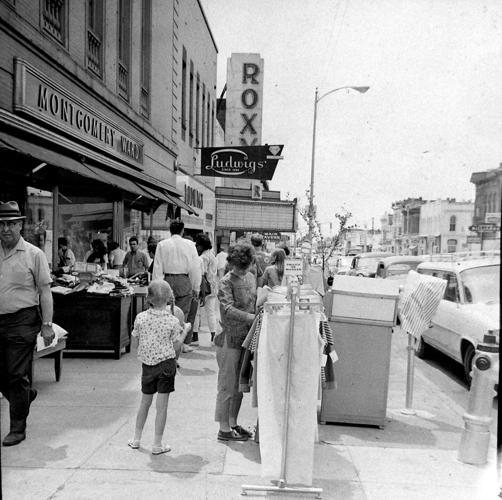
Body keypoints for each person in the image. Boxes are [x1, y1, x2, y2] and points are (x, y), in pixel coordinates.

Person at [0, 201, 55, 446]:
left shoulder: (34, 254)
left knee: (15, 372)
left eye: (11, 224)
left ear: (21, 225)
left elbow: (45, 292)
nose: (6, 229)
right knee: (9, 378)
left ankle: (17, 429)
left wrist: (47, 324)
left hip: (23, 320)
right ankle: (24, 395)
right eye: (1, 224)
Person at [128, 280, 182, 455]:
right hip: (166, 365)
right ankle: (157, 444)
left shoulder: (140, 318)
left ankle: (136, 439)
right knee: (162, 406)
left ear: (148, 298)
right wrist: (186, 331)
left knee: (145, 402)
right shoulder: (173, 321)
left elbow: (134, 342)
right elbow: (176, 346)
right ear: (168, 298)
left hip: (147, 365)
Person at [215, 243, 256, 442]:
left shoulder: (250, 277)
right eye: (239, 266)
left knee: (239, 384)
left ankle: (232, 423)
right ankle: (223, 427)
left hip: (246, 338)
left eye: (245, 266)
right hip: (229, 338)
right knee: (227, 384)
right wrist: (251, 317)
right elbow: (227, 308)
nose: (242, 270)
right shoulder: (225, 282)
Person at [152, 219, 201, 322]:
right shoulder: (190, 244)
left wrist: (157, 288)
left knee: (165, 315)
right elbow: (195, 268)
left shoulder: (162, 244)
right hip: (184, 281)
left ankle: (168, 337)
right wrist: (196, 287)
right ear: (182, 230)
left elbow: (157, 268)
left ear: (170, 231)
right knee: (183, 316)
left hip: (167, 281)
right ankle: (181, 337)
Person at [192, 234, 218, 345]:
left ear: (202, 246)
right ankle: (213, 337)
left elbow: (202, 276)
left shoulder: (203, 258)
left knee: (196, 313)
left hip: (204, 288)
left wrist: (201, 293)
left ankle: (195, 336)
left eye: (198, 245)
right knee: (211, 313)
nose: (196, 247)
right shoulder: (212, 255)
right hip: (212, 288)